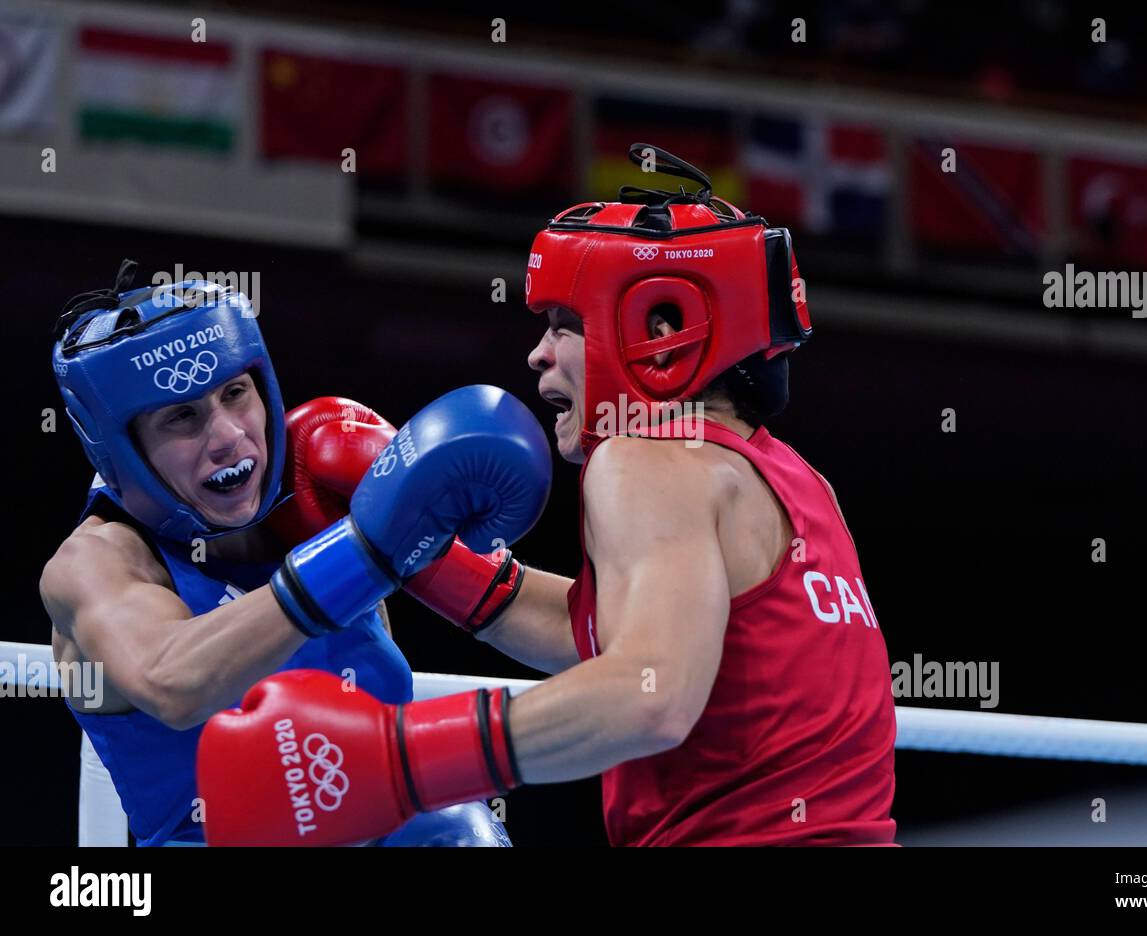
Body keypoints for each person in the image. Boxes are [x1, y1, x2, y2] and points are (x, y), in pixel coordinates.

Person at [198, 144, 896, 846]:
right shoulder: (797, 482)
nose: (538, 353)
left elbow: (649, 695)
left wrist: (397, 760)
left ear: (662, 331)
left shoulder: (644, 459)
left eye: (564, 324)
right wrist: (410, 547)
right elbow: (609, 640)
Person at [41, 261, 541, 846]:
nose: (229, 435)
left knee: (456, 826)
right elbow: (172, 681)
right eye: (182, 416)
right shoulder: (97, 564)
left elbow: (531, 620)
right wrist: (364, 550)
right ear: (118, 449)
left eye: (235, 394)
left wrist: (442, 543)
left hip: (392, 829)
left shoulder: (317, 503)